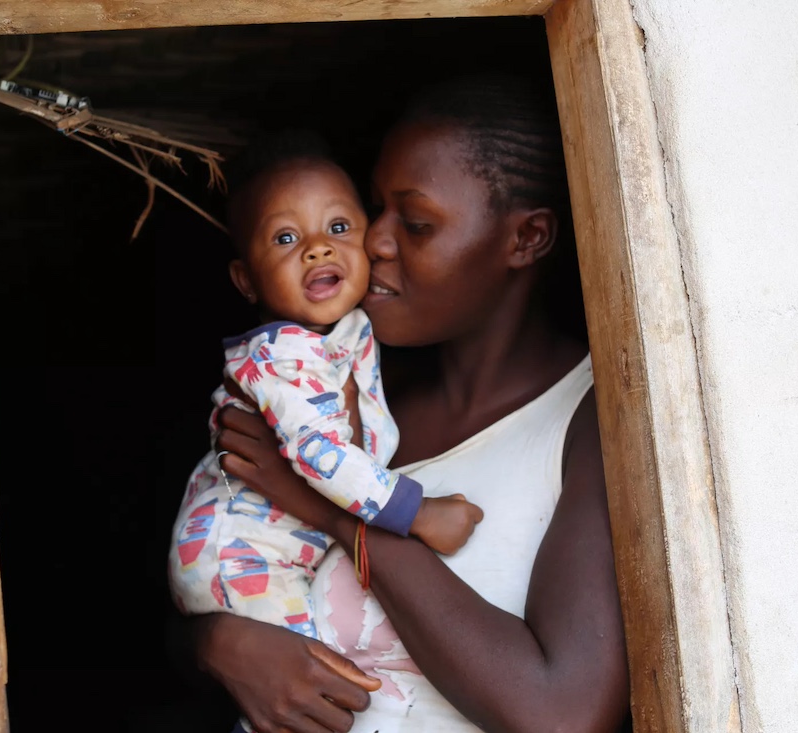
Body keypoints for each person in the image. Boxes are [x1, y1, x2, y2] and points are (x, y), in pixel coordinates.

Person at [175, 74, 631, 733]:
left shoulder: (591, 421)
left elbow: (561, 712)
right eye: (372, 210)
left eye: (414, 223)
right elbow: (212, 558)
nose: (375, 242)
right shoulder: (334, 393)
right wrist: (218, 646)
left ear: (526, 238)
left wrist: (335, 515)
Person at [167, 132, 485, 661]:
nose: (318, 246)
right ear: (246, 281)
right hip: (245, 557)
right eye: (286, 239)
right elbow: (322, 456)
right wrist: (419, 513)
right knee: (313, 689)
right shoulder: (285, 357)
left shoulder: (349, 331)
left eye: (338, 227)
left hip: (278, 554)